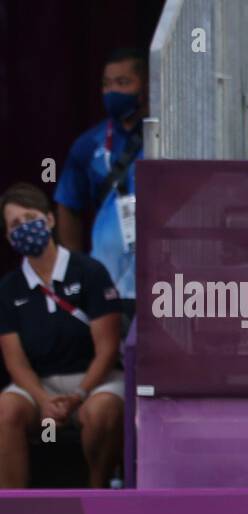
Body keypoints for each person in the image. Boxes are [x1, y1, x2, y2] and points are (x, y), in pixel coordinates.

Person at [0, 183, 125, 488]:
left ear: (50, 220)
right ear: (7, 237)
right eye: (15, 224)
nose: (24, 228)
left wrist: (78, 395)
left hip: (96, 380)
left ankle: (98, 496)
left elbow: (107, 348)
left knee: (103, 411)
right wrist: (44, 400)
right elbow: (15, 361)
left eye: (31, 218)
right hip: (39, 386)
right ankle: (12, 511)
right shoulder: (9, 288)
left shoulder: (90, 272)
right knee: (5, 410)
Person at [54, 48, 146, 320]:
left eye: (123, 83)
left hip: (162, 282)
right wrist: (76, 269)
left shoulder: (168, 135)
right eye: (106, 84)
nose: (112, 91)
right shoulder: (88, 144)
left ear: (146, 87)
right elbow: (67, 205)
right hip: (108, 283)